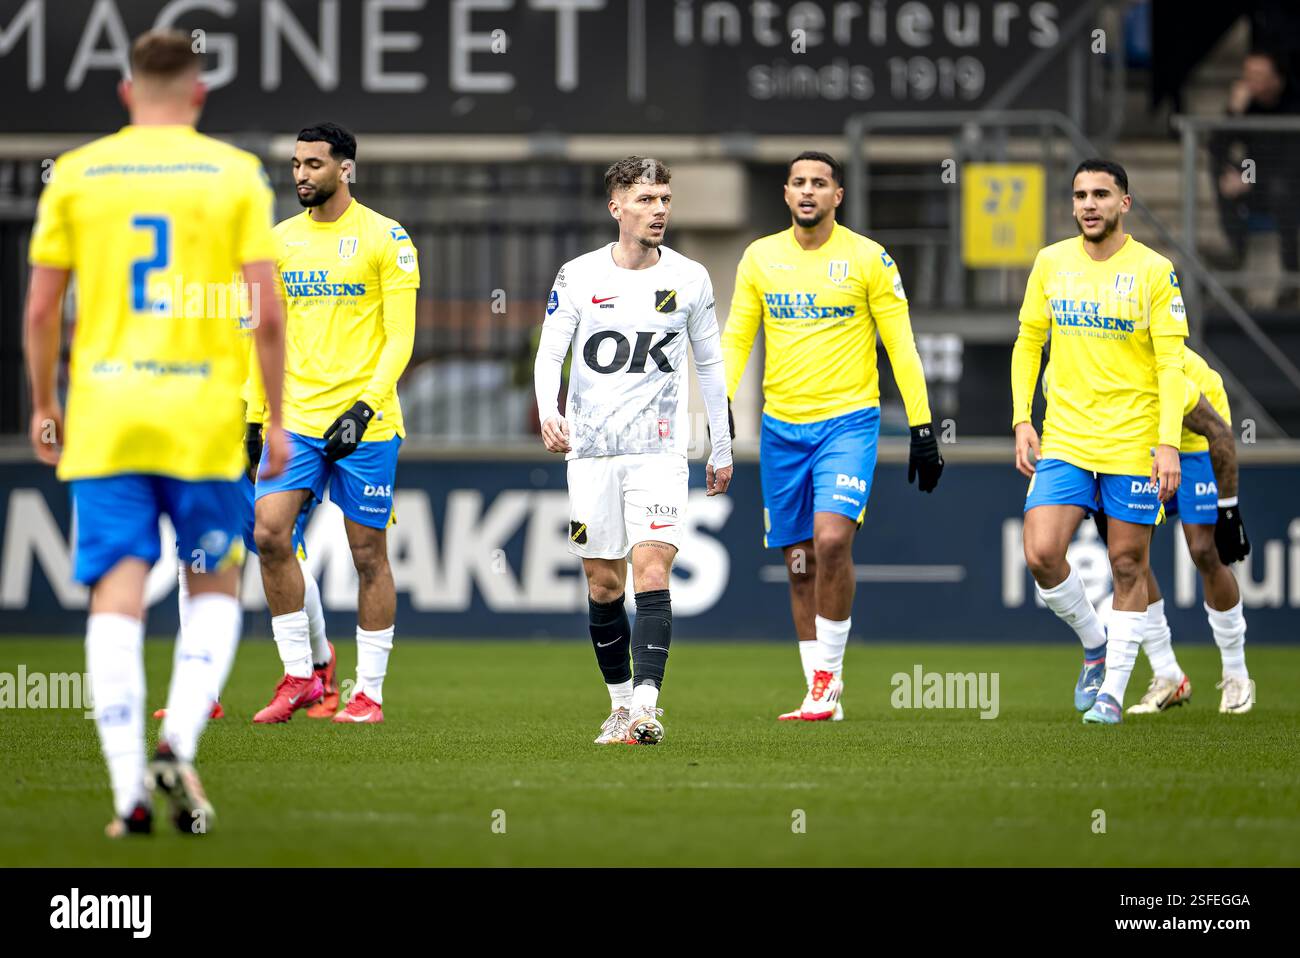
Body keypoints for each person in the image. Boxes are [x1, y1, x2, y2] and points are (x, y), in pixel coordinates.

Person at [23, 30, 287, 835]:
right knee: (212, 581)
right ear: (199, 95)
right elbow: (267, 316)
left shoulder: (77, 174)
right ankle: (178, 737)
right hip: (203, 423)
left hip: (106, 419)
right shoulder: (234, 174)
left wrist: (46, 402)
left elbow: (40, 310)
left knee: (117, 594)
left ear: (127, 93)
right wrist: (275, 418)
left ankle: (125, 793)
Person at [721, 151, 942, 722]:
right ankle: (818, 692)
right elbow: (736, 338)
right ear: (787, 193)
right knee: (798, 562)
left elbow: (901, 346)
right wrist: (718, 406)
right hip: (781, 431)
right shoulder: (760, 258)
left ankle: (829, 679)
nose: (808, 191)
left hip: (848, 423)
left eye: (820, 183)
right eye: (799, 182)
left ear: (838, 195)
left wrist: (922, 425)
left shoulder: (869, 259)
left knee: (832, 542)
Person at [533, 156, 734, 746]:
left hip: (659, 454)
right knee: (603, 584)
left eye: (665, 199)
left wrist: (720, 447)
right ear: (615, 207)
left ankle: (647, 706)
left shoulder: (691, 277)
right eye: (645, 199)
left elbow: (710, 363)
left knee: (651, 570)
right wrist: (550, 410)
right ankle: (619, 704)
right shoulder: (577, 277)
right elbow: (551, 356)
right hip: (592, 452)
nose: (659, 211)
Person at [247, 123, 418, 725]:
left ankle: (366, 693)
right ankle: (300, 676)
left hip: (366, 424)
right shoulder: (279, 242)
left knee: (366, 554)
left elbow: (401, 338)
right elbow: (265, 336)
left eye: (314, 164)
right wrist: (252, 411)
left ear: (345, 169)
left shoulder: (387, 239)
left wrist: (366, 406)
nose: (300, 174)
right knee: (269, 533)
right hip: (295, 419)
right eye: (295, 164)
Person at [1011, 158, 1187, 726]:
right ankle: (1095, 642)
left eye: (1101, 195)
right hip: (1065, 437)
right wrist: (1022, 418)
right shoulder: (1050, 262)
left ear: (1124, 204)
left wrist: (1167, 443)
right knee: (1040, 553)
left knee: (1127, 563)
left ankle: (1112, 691)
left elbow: (1170, 364)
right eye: (1081, 195)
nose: (1089, 204)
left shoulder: (1156, 271)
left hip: (1134, 442)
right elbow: (1028, 341)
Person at [1090, 347, 1254, 716]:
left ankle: (1237, 673)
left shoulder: (1168, 367)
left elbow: (1221, 434)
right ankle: (1168, 675)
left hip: (1197, 445)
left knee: (1204, 551)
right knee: (1129, 557)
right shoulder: (1086, 366)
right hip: (1142, 442)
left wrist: (1229, 510)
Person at [1208, 48, 1300, 305]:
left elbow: (1291, 163)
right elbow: (1217, 148)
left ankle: (1292, 275)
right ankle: (1236, 254)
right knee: (1220, 171)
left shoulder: (1292, 106)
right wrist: (1233, 111)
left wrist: (1250, 179)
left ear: (1277, 79)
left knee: (1282, 187)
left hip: (1290, 186)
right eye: (1248, 75)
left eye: (1259, 75)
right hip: (1257, 181)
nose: (1251, 82)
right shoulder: (1247, 106)